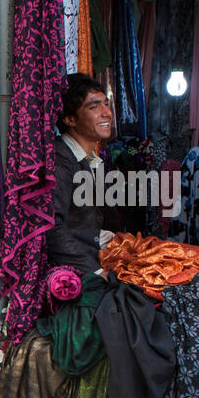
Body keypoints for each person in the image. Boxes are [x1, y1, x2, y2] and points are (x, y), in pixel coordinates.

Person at [48, 73, 115, 274]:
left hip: (88, 262)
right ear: (70, 119)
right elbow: (52, 227)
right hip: (70, 276)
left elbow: (77, 222)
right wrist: (95, 273)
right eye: (94, 107)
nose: (107, 113)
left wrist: (101, 237)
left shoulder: (88, 160)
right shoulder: (60, 160)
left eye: (106, 104)